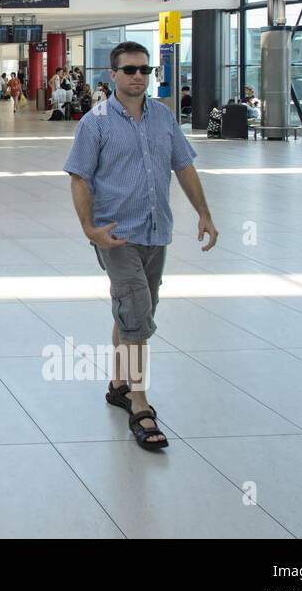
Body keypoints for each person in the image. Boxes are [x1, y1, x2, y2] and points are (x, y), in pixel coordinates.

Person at [64, 41, 218, 451]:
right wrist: (89, 229)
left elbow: (183, 165)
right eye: (129, 69)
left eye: (144, 70)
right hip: (116, 234)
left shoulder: (164, 117)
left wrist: (203, 212)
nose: (138, 76)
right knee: (137, 317)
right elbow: (79, 177)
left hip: (156, 230)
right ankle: (139, 403)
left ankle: (118, 383)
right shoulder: (94, 122)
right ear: (112, 75)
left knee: (134, 310)